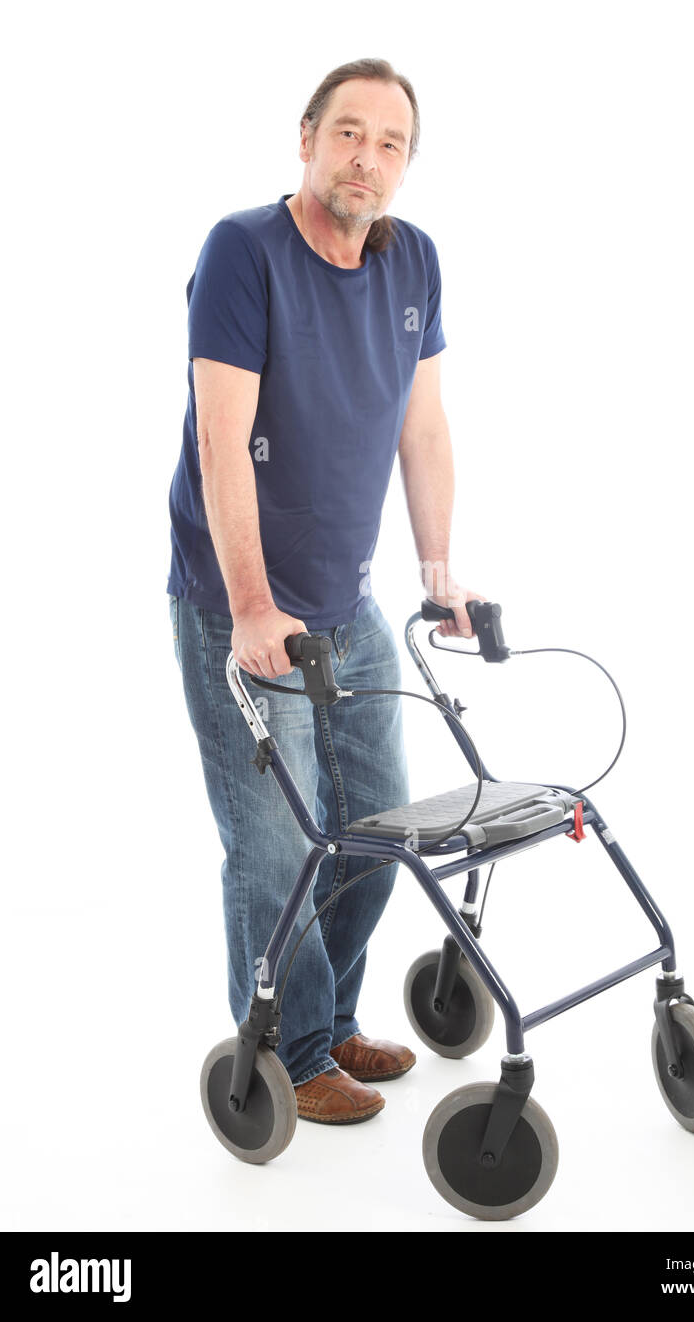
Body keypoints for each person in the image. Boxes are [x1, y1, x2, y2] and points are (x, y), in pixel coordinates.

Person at [167, 57, 487, 1125]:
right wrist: (252, 607)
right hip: (243, 610)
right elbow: (222, 443)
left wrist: (440, 578)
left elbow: (423, 429)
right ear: (306, 138)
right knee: (277, 850)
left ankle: (330, 1018)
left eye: (389, 142)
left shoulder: (414, 265)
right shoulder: (241, 253)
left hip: (346, 615)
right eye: (348, 133)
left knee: (379, 838)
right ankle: (286, 1053)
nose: (367, 157)